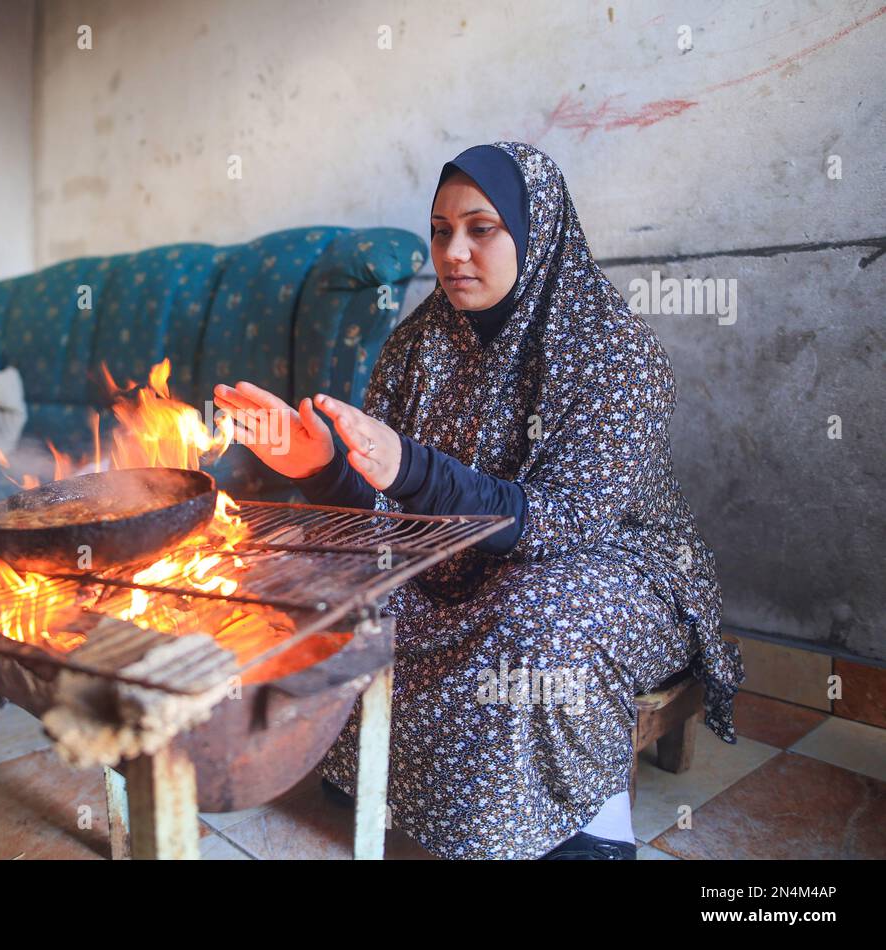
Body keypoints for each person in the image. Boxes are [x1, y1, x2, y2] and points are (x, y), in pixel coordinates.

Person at [212, 141, 744, 860]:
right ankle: (370, 764)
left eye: (481, 227)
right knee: (315, 572)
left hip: (607, 563)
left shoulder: (616, 353)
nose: (454, 251)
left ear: (536, 229)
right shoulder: (414, 346)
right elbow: (383, 515)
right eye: (440, 230)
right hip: (446, 556)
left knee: (540, 620)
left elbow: (563, 521)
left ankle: (584, 825)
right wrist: (321, 468)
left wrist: (413, 471)